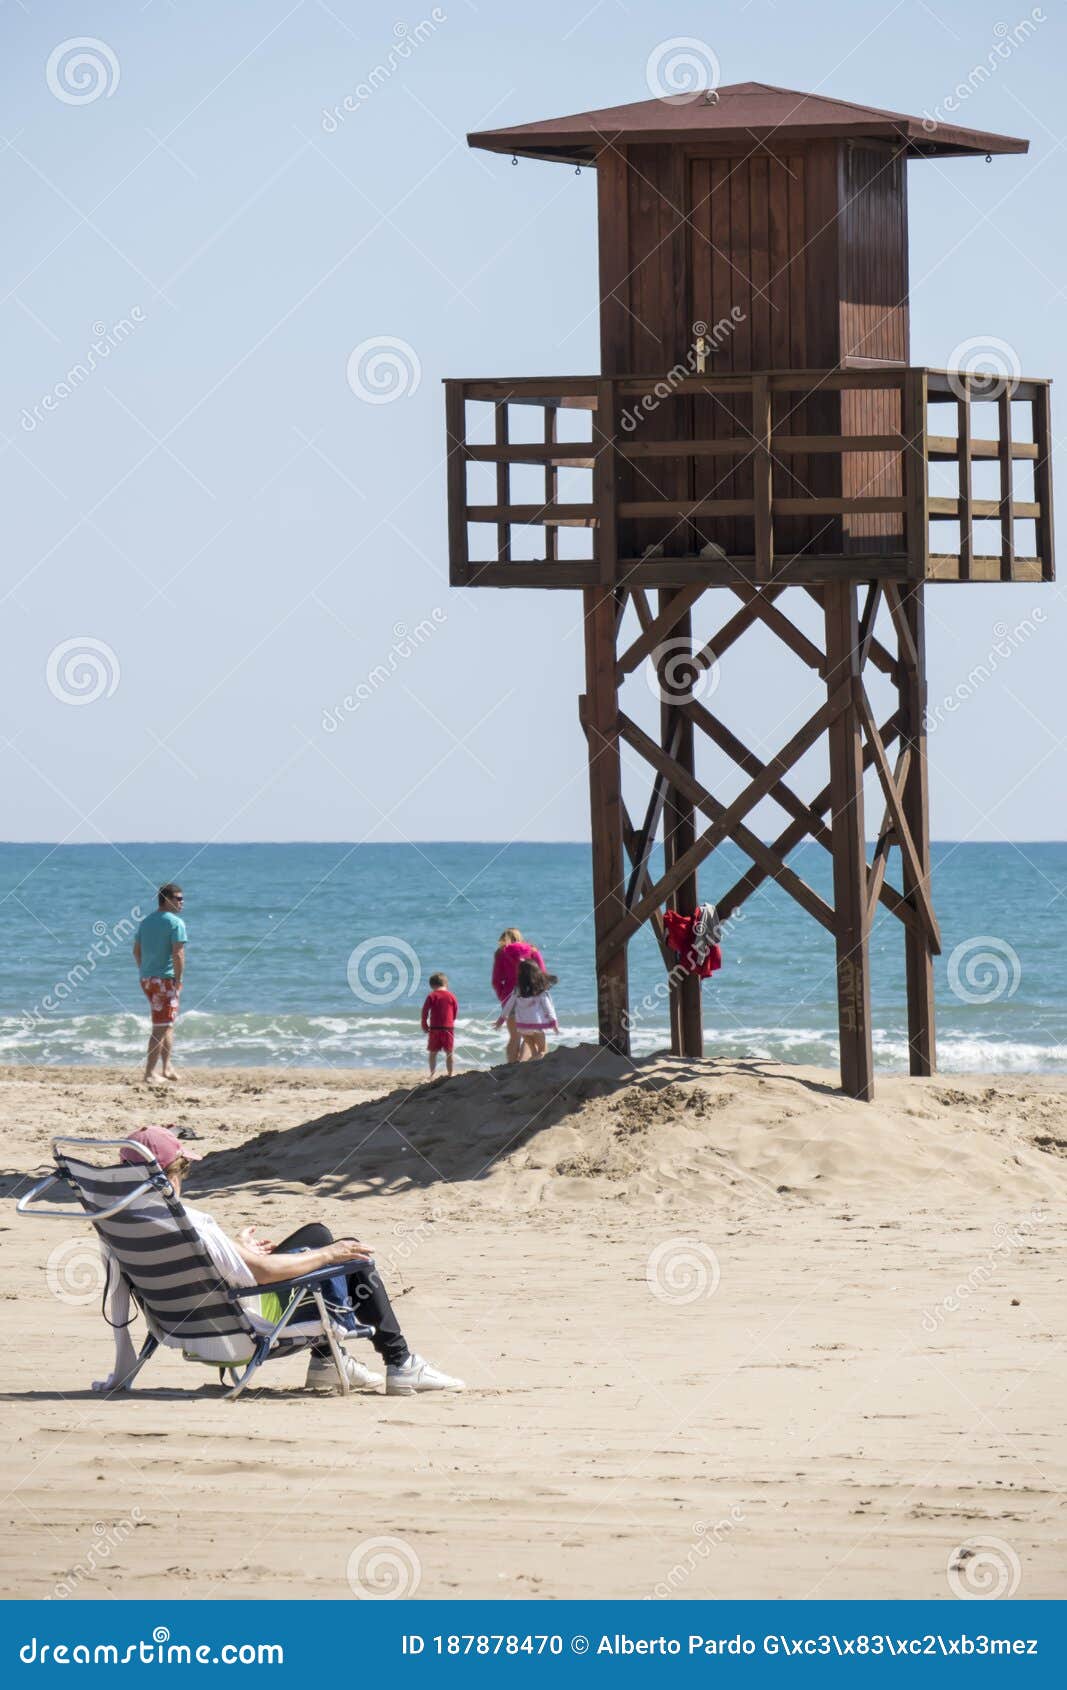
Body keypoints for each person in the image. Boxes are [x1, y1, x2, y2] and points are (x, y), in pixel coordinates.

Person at [100, 1126, 465, 1397]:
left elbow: (123, 1296)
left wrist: (237, 1248)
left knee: (317, 1233)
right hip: (243, 1326)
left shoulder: (118, 1224)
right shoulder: (194, 1221)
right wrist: (330, 1255)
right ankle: (400, 1363)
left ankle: (326, 1362)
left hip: (186, 1326)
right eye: (183, 1171)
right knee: (351, 1256)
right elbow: (262, 1274)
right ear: (169, 1175)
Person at [133, 883, 187, 1083]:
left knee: (167, 1024)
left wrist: (145, 971)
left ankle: (166, 1068)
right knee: (160, 1027)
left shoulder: (146, 921)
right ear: (166, 900)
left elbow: (136, 951)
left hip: (147, 979)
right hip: (165, 981)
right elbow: (178, 954)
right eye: (178, 899)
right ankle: (149, 1073)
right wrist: (178, 979)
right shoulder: (175, 923)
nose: (182, 903)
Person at [491, 927, 546, 1063]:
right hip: (530, 996)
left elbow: (496, 980)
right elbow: (542, 974)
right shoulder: (532, 951)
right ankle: (524, 1062)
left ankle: (512, 1065)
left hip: (510, 996)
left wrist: (502, 996)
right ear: (519, 937)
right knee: (530, 1031)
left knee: (514, 1036)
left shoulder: (501, 953)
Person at [496, 958, 559, 1060]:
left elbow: (508, 1005)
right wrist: (554, 1023)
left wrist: (501, 1019)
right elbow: (548, 1008)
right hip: (536, 1027)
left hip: (522, 1027)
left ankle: (529, 1066)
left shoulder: (517, 990)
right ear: (536, 973)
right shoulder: (540, 991)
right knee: (542, 1051)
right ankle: (531, 1065)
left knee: (533, 1051)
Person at [421, 971, 458, 1079]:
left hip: (435, 1028)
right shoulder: (451, 996)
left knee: (433, 1052)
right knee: (449, 1052)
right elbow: (455, 1010)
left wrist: (424, 1024)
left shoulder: (432, 995)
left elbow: (425, 1011)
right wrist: (451, 1020)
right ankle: (450, 1074)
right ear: (446, 984)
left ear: (432, 985)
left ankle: (432, 1074)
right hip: (448, 1028)